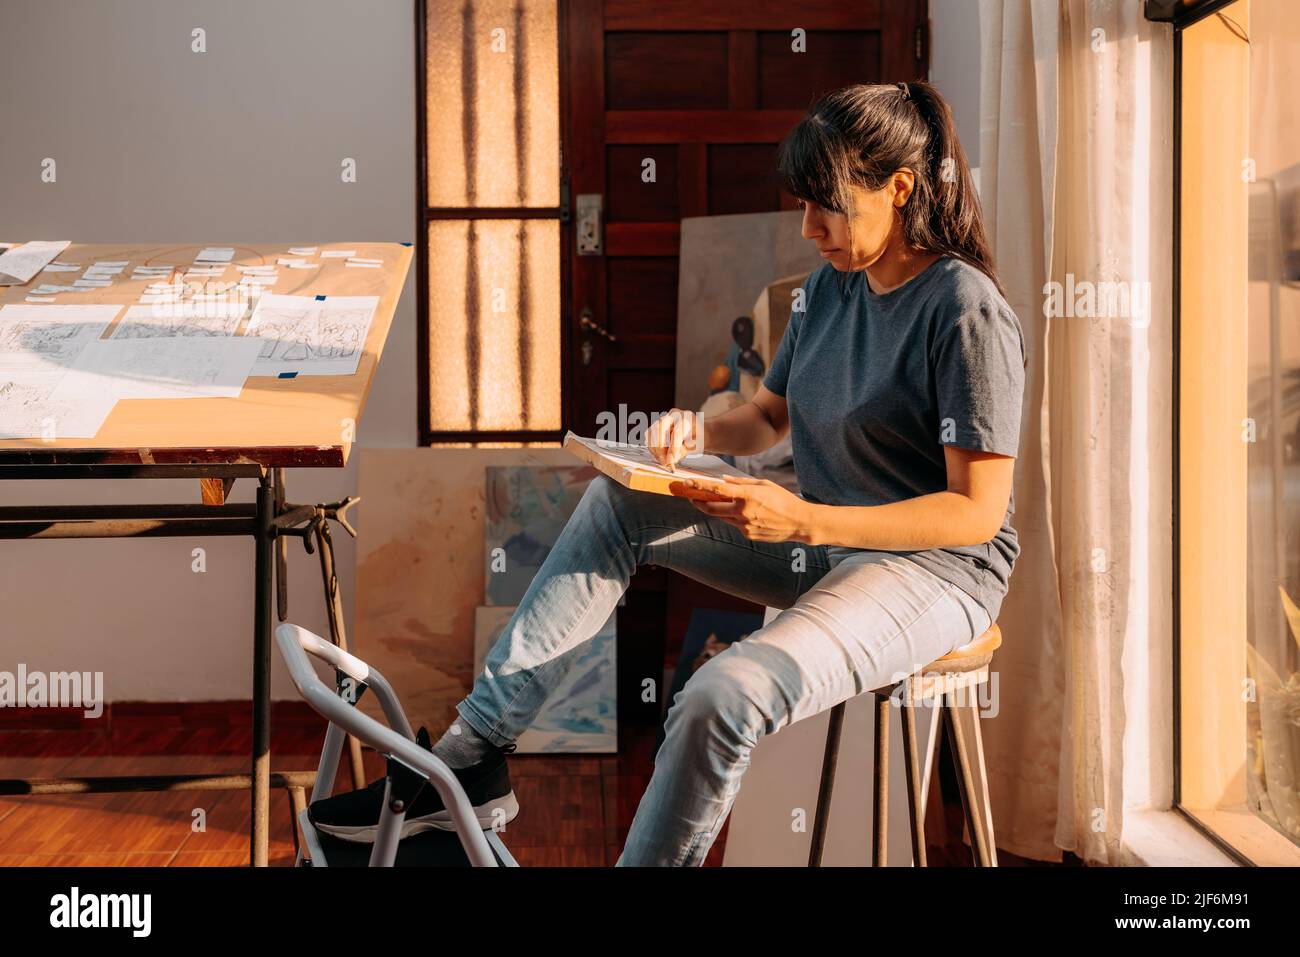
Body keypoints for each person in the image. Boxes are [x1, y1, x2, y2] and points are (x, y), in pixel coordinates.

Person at [309, 79, 1026, 866]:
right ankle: (469, 756)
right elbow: (767, 419)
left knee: (724, 694)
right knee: (621, 504)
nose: (808, 225)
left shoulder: (964, 308)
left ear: (900, 188)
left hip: (934, 571)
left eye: (827, 203)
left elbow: (975, 513)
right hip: (825, 543)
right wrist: (700, 427)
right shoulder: (830, 291)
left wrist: (806, 520)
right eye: (803, 201)